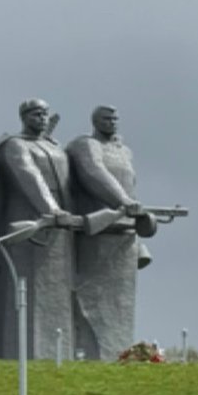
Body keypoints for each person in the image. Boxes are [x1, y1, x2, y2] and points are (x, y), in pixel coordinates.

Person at [0, 99, 78, 359]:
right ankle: (21, 351)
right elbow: (28, 175)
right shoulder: (15, 144)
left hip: (59, 223)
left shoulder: (54, 147)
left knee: (58, 289)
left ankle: (59, 352)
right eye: (36, 114)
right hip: (27, 220)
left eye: (45, 114)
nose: (42, 118)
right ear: (24, 117)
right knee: (26, 287)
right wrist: (51, 209)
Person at [68, 105, 147, 362]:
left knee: (121, 302)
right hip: (97, 232)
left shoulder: (124, 151)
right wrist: (123, 201)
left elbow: (131, 185)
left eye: (115, 118)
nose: (112, 122)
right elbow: (94, 173)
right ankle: (92, 354)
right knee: (92, 299)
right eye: (106, 118)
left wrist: (134, 213)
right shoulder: (85, 145)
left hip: (125, 232)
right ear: (95, 121)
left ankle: (120, 354)